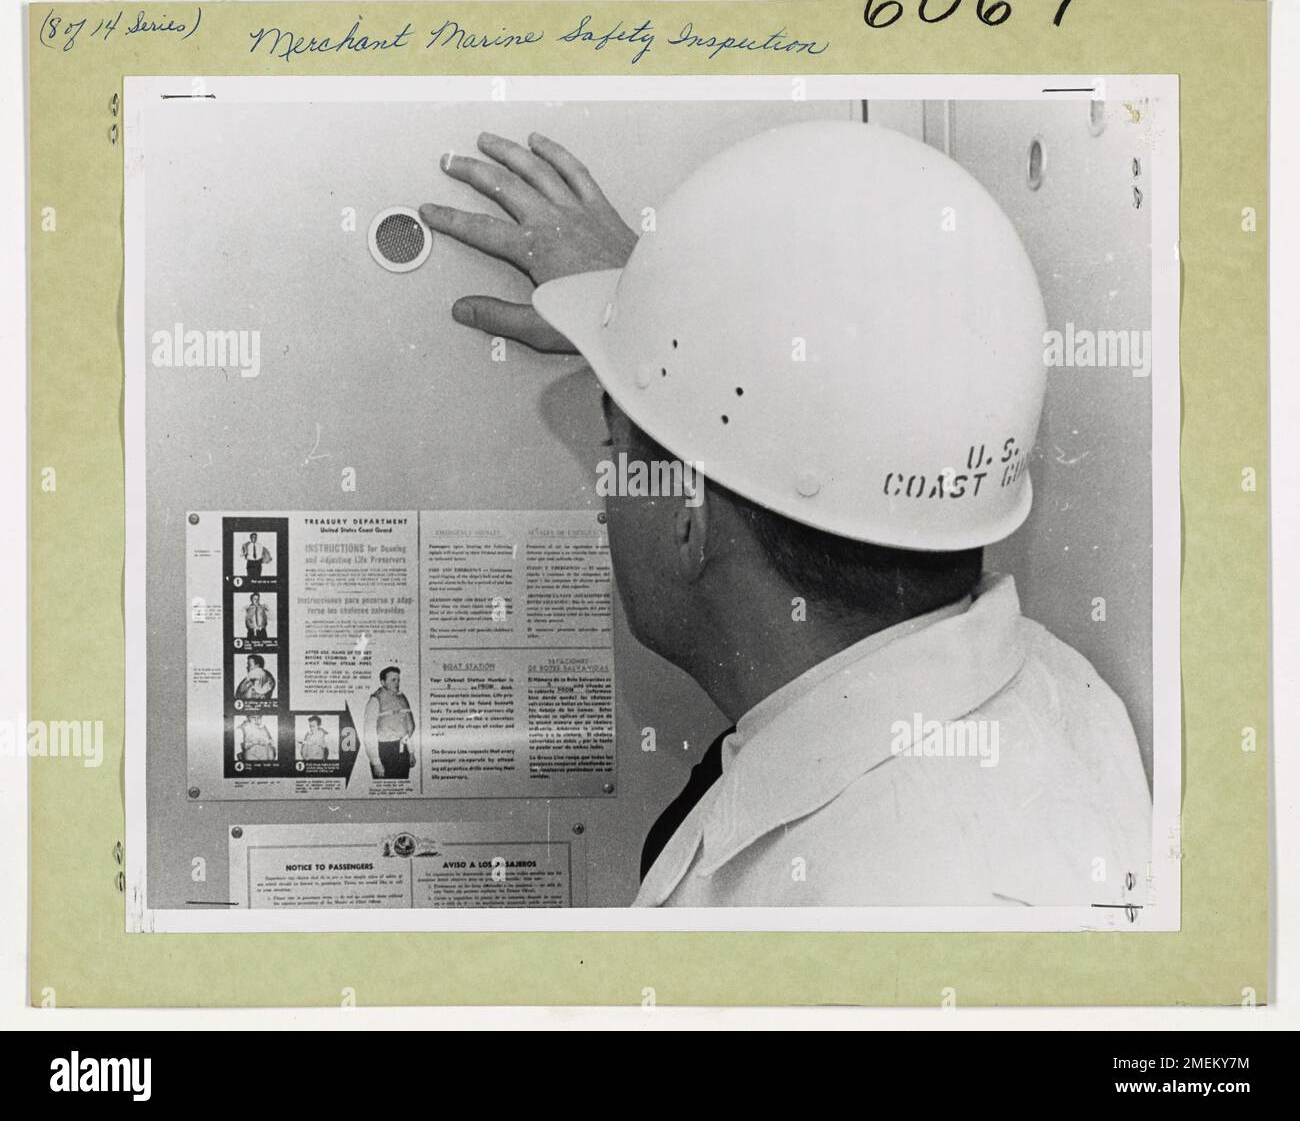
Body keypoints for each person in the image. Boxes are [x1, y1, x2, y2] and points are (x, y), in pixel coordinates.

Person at [418, 123, 1152, 908]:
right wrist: (679, 308)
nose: (604, 505)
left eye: (612, 442)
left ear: (687, 518)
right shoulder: (1057, 697)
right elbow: (874, 354)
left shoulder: (863, 908)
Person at [363, 666, 415, 779]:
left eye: (398, 680)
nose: (397, 683)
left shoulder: (402, 698)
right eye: (393, 680)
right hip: (384, 752)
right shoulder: (375, 700)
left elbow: (406, 726)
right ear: (383, 682)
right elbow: (369, 733)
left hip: (403, 752)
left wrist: (411, 752)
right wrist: (375, 761)